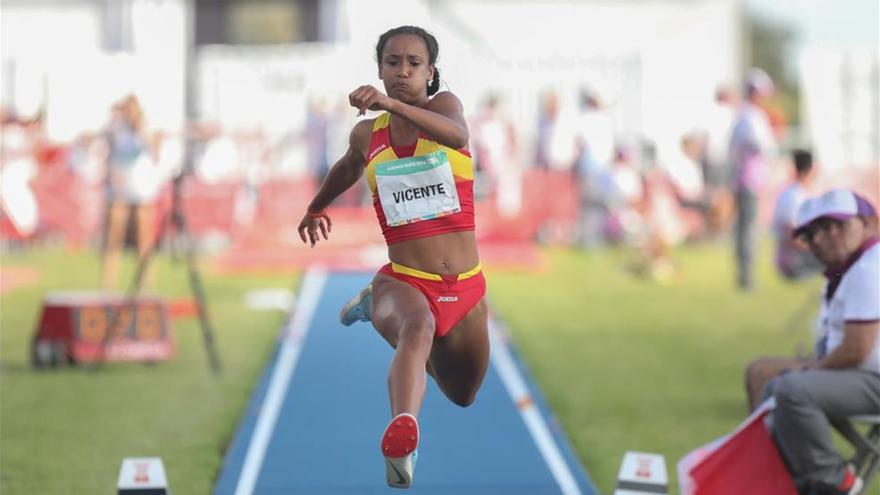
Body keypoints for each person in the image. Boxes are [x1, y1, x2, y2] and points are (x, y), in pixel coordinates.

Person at [296, 26, 488, 489]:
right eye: (392, 62)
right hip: (406, 280)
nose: (402, 71)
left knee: (462, 394)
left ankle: (367, 306)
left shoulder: (445, 109)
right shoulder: (368, 134)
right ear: (379, 69)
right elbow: (346, 167)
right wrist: (316, 206)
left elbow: (457, 135)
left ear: (430, 72)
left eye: (413, 63)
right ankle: (404, 438)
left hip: (465, 286)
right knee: (416, 328)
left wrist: (393, 105)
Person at [744, 189, 880, 495]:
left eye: (837, 225)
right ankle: (778, 482)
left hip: (871, 377)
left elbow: (856, 351)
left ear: (871, 223)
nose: (822, 238)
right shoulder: (854, 268)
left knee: (790, 388)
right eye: (814, 232)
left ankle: (833, 483)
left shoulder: (869, 269)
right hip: (863, 374)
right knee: (770, 381)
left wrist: (809, 369)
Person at [100, 94, 162, 288]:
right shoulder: (115, 128)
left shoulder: (145, 128)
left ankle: (145, 279)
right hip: (120, 187)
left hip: (141, 187)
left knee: (143, 237)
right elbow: (105, 149)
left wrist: (141, 127)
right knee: (114, 236)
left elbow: (155, 152)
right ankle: (109, 280)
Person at [728, 69, 777, 291]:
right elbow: (759, 144)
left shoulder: (746, 115)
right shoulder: (750, 116)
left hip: (746, 178)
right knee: (748, 228)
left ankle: (744, 275)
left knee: (744, 227)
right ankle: (747, 277)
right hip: (749, 179)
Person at [771, 149, 821, 280]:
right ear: (810, 170)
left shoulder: (801, 193)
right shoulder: (793, 196)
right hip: (793, 262)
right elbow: (791, 234)